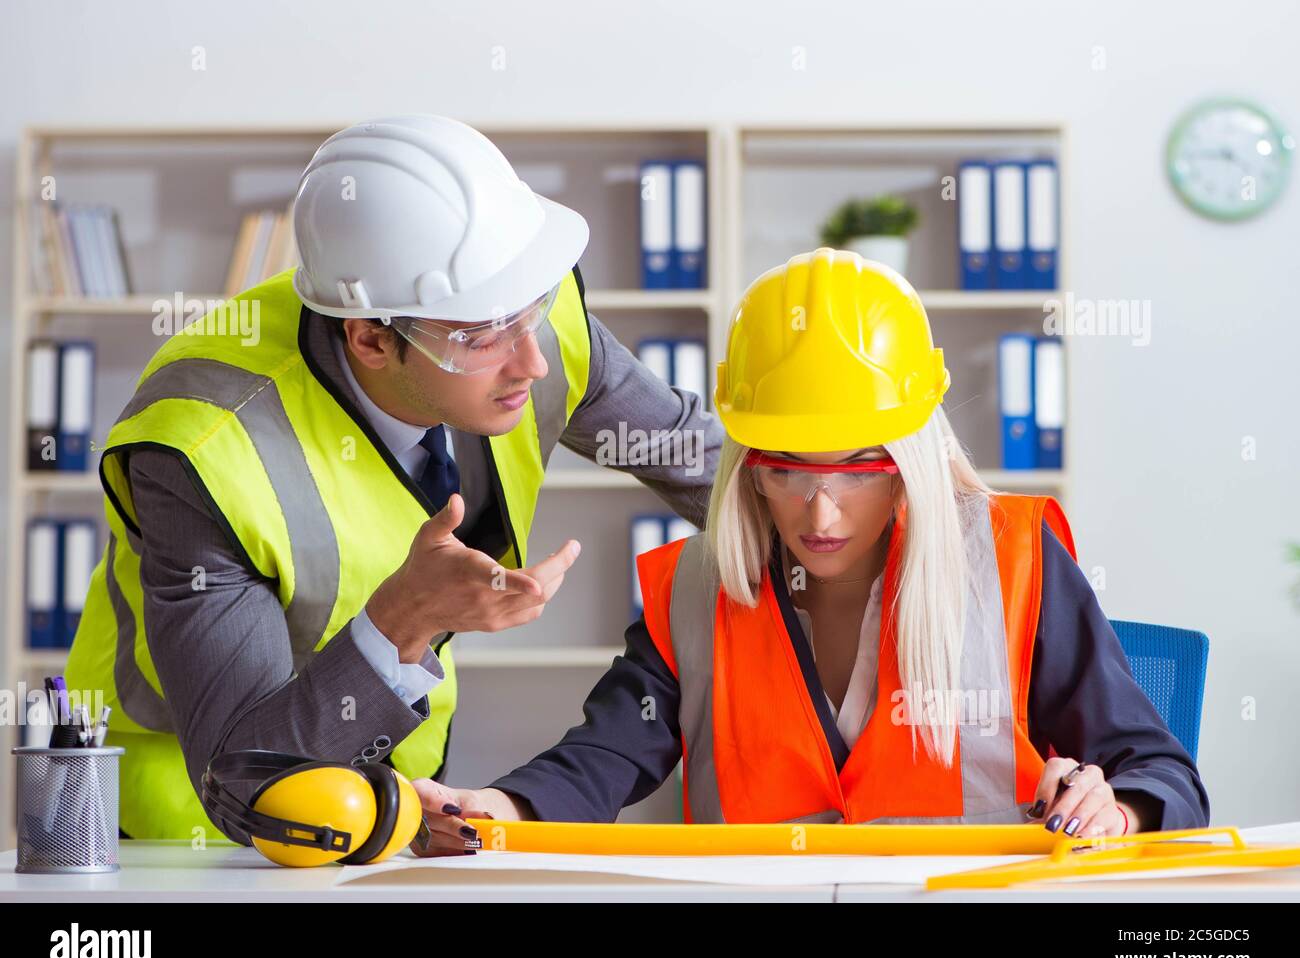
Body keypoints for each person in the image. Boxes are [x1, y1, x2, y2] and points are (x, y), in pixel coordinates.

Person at [411, 248, 1210, 852]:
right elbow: (606, 754)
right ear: (746, 464)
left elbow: (1162, 773)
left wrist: (1121, 805)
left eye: (857, 471)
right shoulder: (700, 587)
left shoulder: (1016, 559)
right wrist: (503, 807)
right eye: (786, 470)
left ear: (909, 465)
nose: (819, 510)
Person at [62, 115, 722, 841]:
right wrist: (403, 619)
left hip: (398, 787)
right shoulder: (205, 450)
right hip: (192, 836)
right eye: (481, 336)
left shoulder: (522, 311)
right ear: (371, 337)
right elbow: (242, 781)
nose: (531, 363)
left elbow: (720, 473)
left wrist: (856, 487)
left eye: (528, 312)